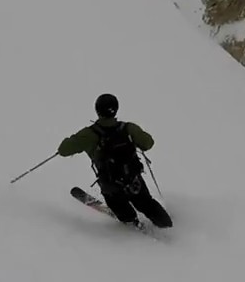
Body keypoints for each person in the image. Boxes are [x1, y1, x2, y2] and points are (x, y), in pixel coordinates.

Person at [57, 93, 172, 229]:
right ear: (116, 109)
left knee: (123, 212)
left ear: (97, 110)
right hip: (134, 181)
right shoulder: (128, 128)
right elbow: (148, 143)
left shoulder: (89, 134)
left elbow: (63, 150)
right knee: (147, 203)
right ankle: (168, 228)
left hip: (111, 186)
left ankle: (132, 223)